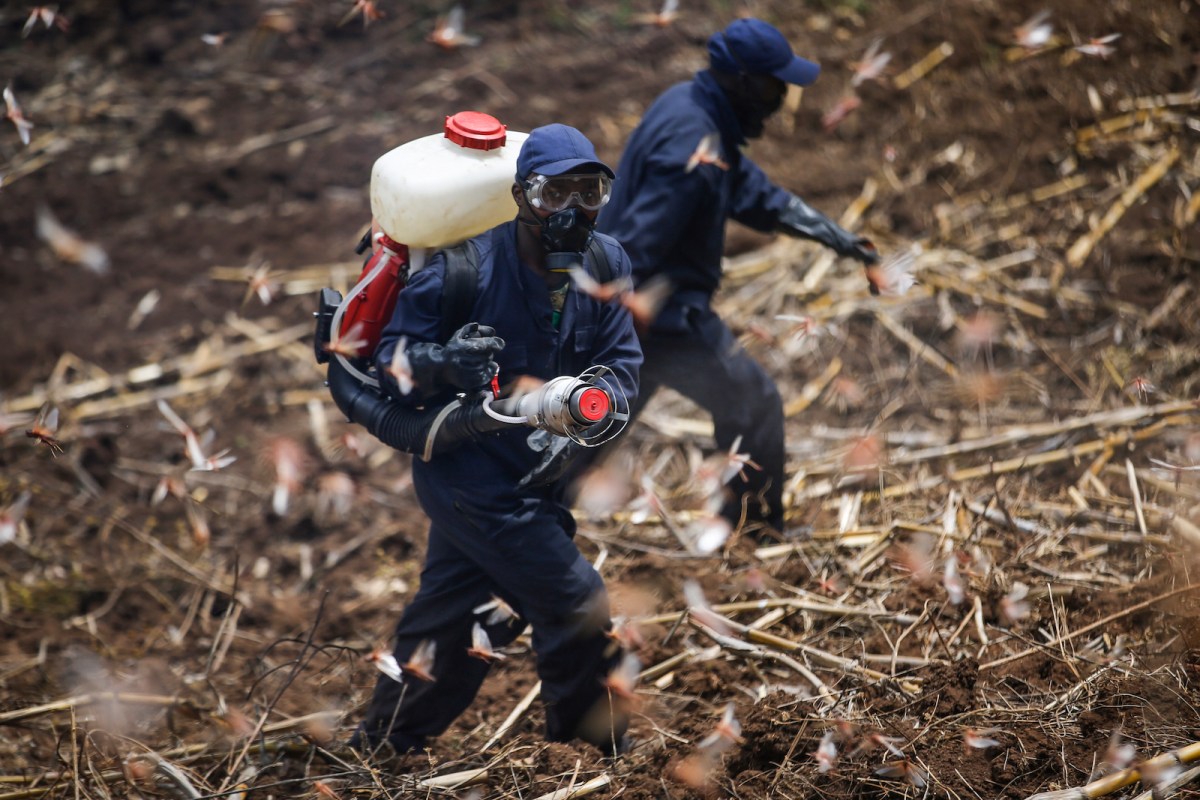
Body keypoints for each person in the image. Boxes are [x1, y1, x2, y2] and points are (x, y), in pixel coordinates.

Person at [350, 123, 642, 758]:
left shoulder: (606, 264)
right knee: (577, 602)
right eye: (553, 195)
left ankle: (379, 748)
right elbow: (390, 368)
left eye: (589, 193)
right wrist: (443, 362)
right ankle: (588, 757)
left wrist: (595, 404)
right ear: (521, 197)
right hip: (469, 477)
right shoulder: (462, 273)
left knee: (463, 617)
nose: (573, 212)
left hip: (537, 476)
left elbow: (623, 362)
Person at [595, 17, 879, 537]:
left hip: (641, 318)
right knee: (754, 403)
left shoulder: (693, 107)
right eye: (776, 85)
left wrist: (834, 236)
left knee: (596, 428)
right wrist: (614, 316)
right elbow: (637, 244)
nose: (782, 97)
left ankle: (524, 509)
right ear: (743, 81)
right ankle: (753, 528)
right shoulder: (693, 146)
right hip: (659, 317)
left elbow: (752, 190)